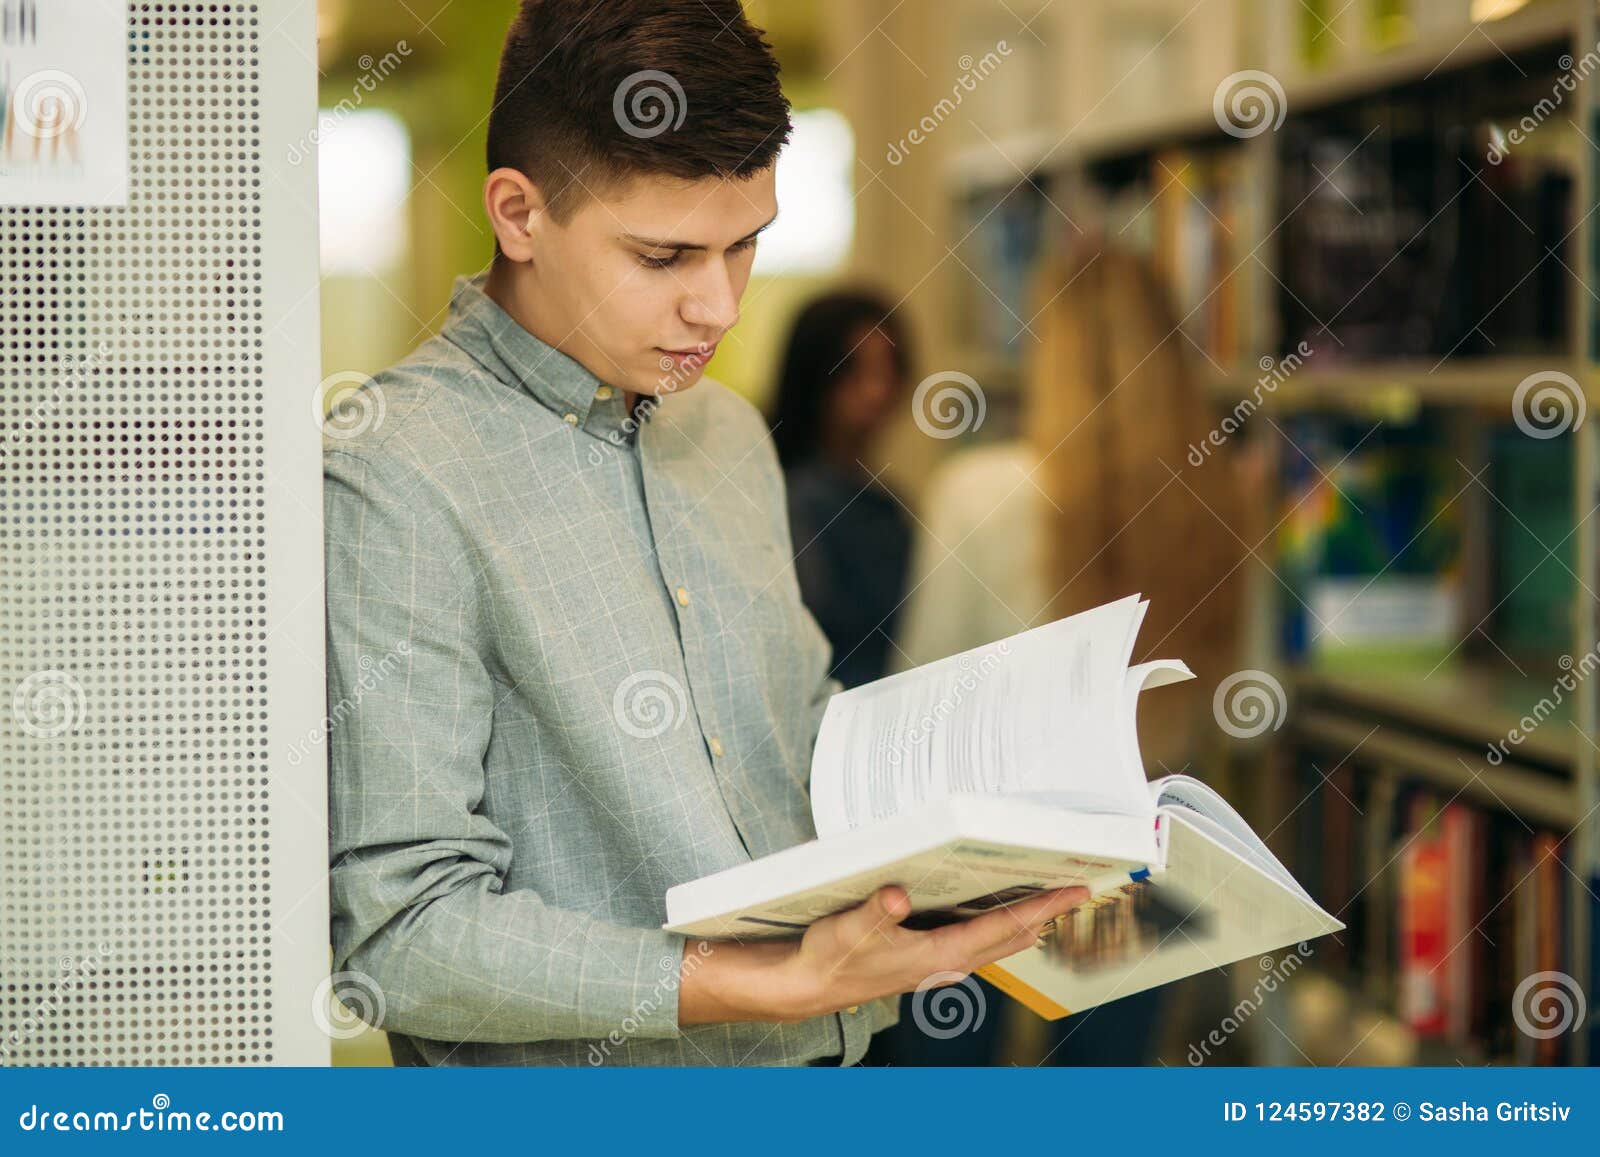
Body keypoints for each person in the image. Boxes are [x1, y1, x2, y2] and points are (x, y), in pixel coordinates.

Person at [321, 0, 1089, 1068]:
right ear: (516, 213)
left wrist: (1015, 812)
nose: (718, 307)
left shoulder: (726, 434)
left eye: (744, 247)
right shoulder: (392, 469)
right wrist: (753, 983)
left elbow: (797, 731)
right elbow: (401, 932)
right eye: (663, 256)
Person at [890, 242, 1252, 1064]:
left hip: (978, 863)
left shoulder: (982, 490)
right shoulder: (1219, 496)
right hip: (1141, 855)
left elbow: (918, 692)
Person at [769, 292, 913, 689]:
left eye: (889, 371)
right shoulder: (788, 497)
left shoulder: (888, 506)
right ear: (813, 374)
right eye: (853, 371)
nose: (875, 391)